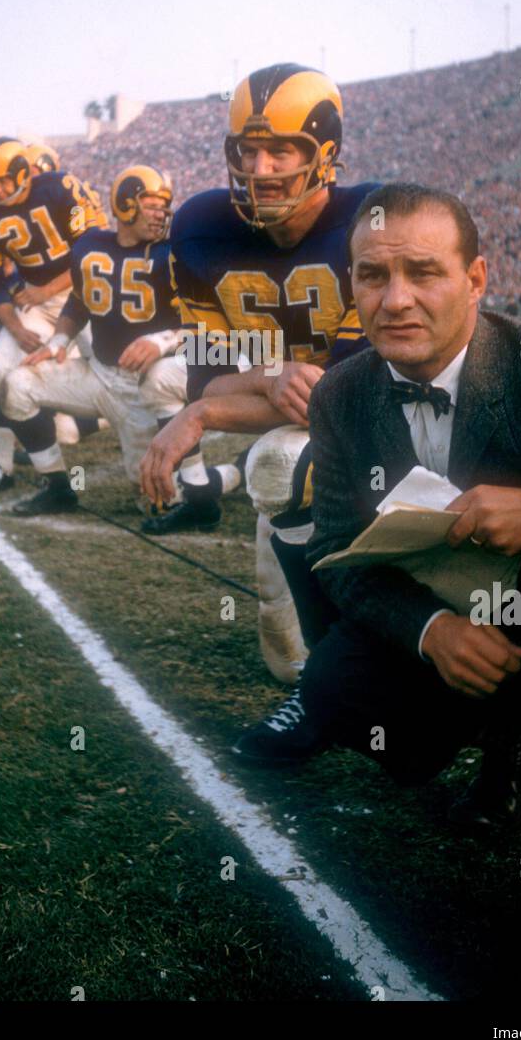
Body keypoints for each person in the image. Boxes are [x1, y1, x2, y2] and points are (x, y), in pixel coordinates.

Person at [234, 183, 521, 884]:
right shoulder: (341, 394)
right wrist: (431, 631)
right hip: (449, 610)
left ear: (476, 280)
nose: (395, 299)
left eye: (424, 272)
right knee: (337, 687)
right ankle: (485, 724)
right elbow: (333, 553)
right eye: (373, 275)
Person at [140, 63, 376, 682]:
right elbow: (207, 375)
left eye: (282, 151)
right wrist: (262, 384)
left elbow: (336, 392)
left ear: (324, 154)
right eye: (249, 149)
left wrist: (206, 414)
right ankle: (319, 678)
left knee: (282, 463)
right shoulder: (201, 228)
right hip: (303, 419)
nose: (260, 168)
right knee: (282, 645)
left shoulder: (370, 222)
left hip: (389, 415)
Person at [1, 164, 238, 516]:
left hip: (142, 386)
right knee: (17, 385)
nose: (162, 213)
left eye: (164, 205)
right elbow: (79, 301)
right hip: (97, 374)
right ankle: (58, 488)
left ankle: (235, 473)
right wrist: (59, 340)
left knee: (158, 500)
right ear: (126, 203)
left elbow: (206, 321)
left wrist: (162, 340)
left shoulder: (172, 252)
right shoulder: (91, 245)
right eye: (152, 204)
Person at [0, 136, 106, 494]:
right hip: (37, 307)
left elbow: (94, 252)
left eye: (2, 180)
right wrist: (13, 324)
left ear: (23, 173)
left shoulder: (60, 188)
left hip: (87, 295)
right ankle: (5, 466)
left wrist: (47, 289)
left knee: (115, 378)